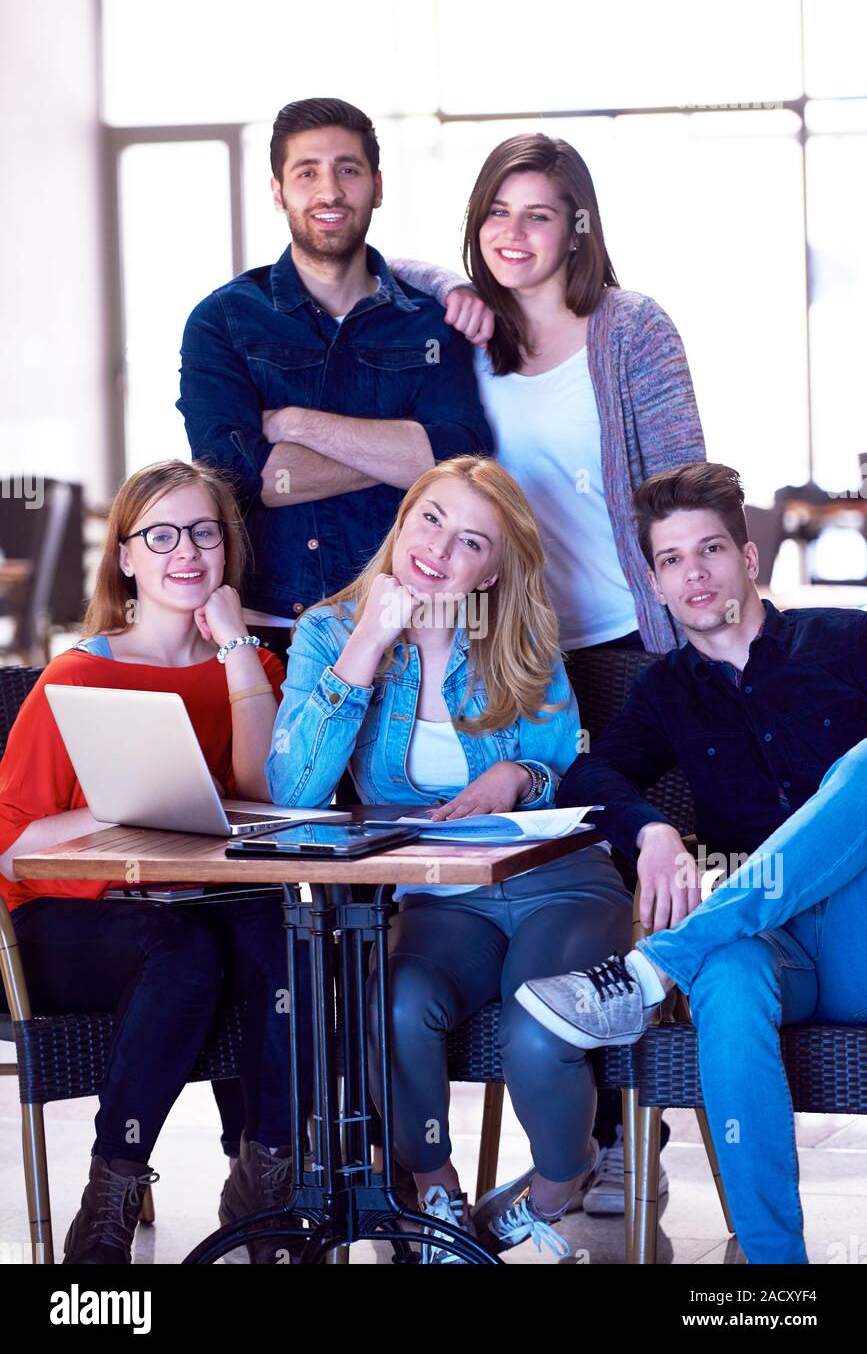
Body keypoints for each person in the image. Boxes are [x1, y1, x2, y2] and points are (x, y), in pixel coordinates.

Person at [394, 130, 706, 1206]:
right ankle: (561, 1127)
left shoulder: (631, 331)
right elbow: (376, 264)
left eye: (540, 214)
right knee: (529, 894)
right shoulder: (462, 340)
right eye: (496, 214)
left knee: (623, 899)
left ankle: (626, 1141)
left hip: (629, 646)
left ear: (578, 224)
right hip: (512, 658)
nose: (515, 235)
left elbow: (678, 488)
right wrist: (447, 280)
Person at [266, 455, 635, 1260]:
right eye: (430, 518)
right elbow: (294, 786)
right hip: (442, 901)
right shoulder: (329, 629)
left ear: (494, 565)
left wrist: (518, 774)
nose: (438, 547)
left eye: (471, 540)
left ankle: (551, 1192)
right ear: (404, 517)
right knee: (394, 1002)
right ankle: (435, 1205)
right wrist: (369, 641)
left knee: (540, 1016)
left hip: (556, 882)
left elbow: (555, 762)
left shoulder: (518, 630)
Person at [513, 461, 867, 1264]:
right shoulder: (664, 691)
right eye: (671, 561)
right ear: (657, 583)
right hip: (772, 947)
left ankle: (647, 972)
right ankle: (774, 1278)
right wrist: (651, 833)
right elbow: (588, 778)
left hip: (860, 929)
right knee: (729, 971)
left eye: (708, 550)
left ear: (747, 559)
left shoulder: (845, 641)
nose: (693, 573)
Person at [0, 459, 309, 1265]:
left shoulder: (254, 672)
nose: (186, 552)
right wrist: (122, 809)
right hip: (68, 924)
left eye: (204, 532)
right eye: (161, 535)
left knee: (283, 937)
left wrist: (238, 646)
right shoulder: (75, 676)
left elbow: (261, 792)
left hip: (199, 906)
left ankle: (266, 1182)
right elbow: (11, 840)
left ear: (226, 550)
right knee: (181, 952)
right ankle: (109, 1197)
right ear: (127, 556)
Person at [178, 96, 493, 661]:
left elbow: (458, 461)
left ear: (376, 185)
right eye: (307, 172)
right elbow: (243, 477)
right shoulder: (222, 321)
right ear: (278, 192)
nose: (330, 191)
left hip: (411, 632)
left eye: (348, 170)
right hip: (267, 631)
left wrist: (297, 425)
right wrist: (400, 455)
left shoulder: (430, 323)